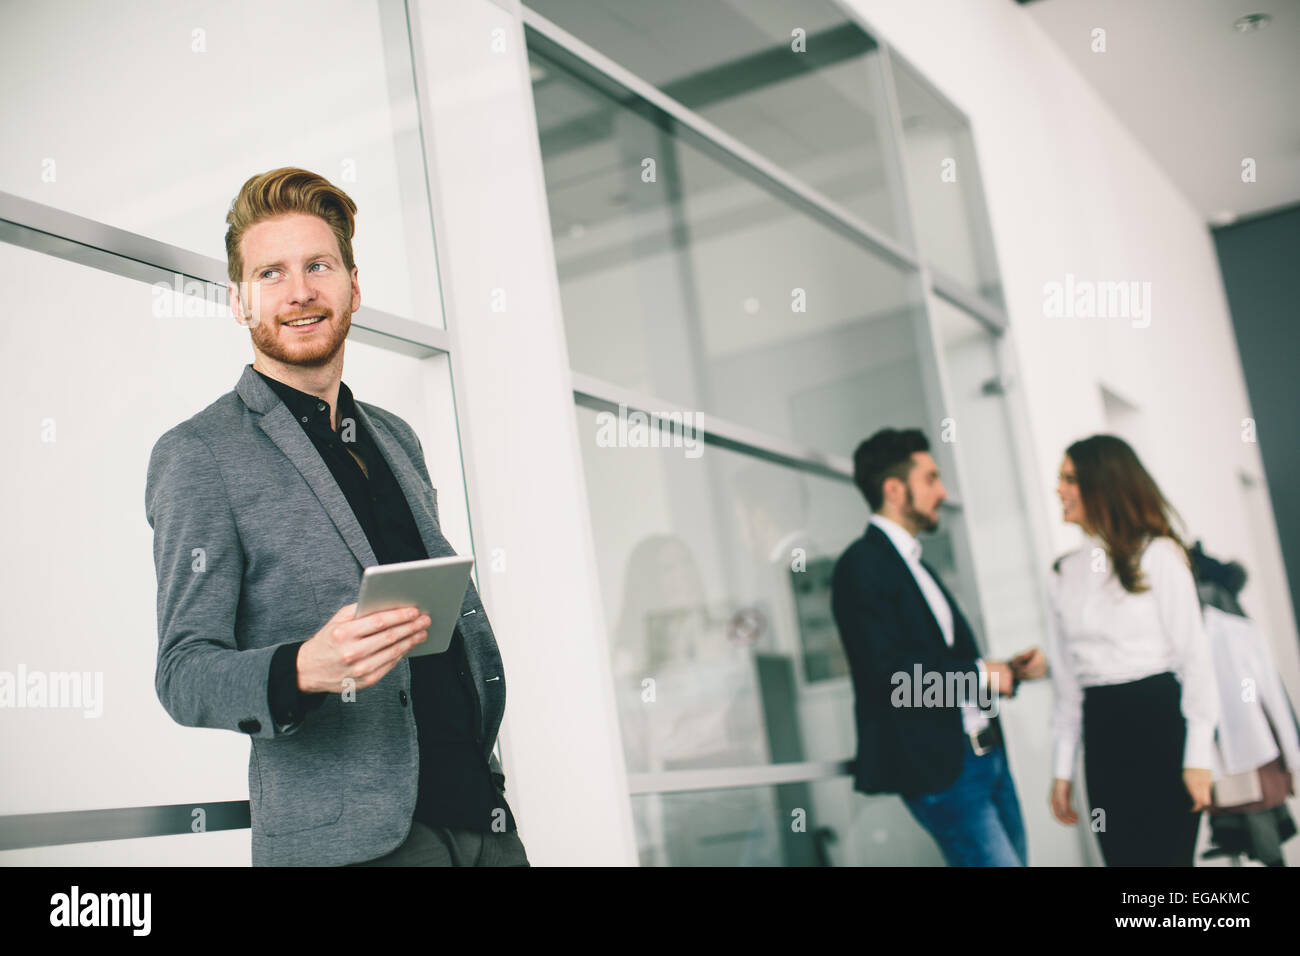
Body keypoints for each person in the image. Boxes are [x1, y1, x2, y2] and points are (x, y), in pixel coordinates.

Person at [146, 167, 527, 866]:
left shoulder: (394, 436)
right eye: (271, 273)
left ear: (355, 285)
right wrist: (300, 668)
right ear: (238, 300)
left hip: (482, 821)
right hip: (355, 847)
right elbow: (182, 672)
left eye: (318, 266)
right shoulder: (201, 454)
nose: (299, 292)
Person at [831, 428, 1040, 866]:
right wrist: (982, 676)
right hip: (946, 770)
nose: (942, 492)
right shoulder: (861, 567)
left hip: (988, 759)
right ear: (894, 489)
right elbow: (893, 684)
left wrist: (1004, 671)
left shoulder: (914, 564)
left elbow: (936, 664)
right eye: (930, 479)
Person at [1045, 434, 1219, 866]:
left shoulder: (1159, 555)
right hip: (1102, 733)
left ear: (1102, 483)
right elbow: (1068, 683)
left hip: (1159, 726)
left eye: (1070, 479)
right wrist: (1062, 767)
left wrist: (1198, 758)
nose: (1059, 490)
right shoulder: (1063, 573)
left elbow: (1196, 661)